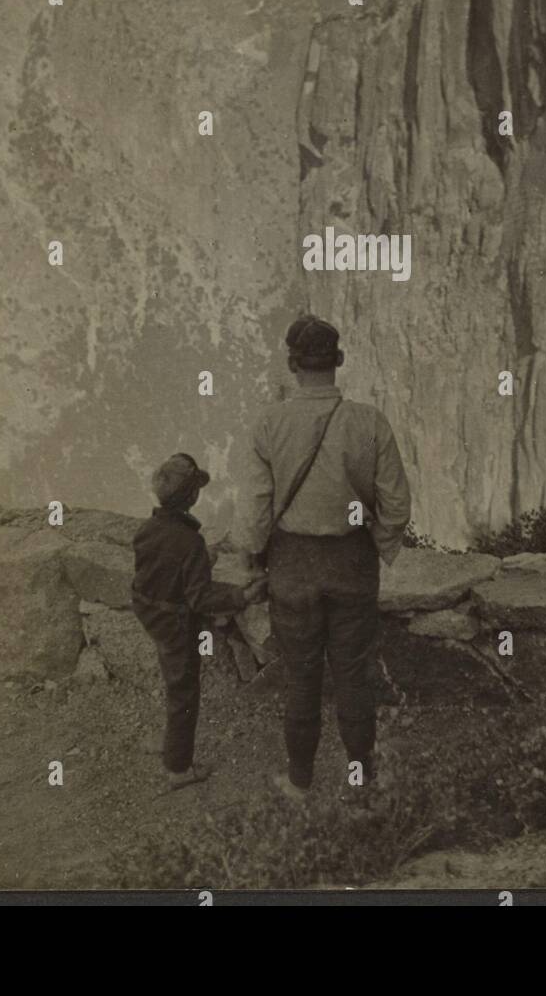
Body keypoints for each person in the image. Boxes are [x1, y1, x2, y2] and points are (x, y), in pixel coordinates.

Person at [243, 315, 411, 801]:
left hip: (293, 565)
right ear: (338, 362)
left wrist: (254, 561)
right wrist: (378, 540)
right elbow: (396, 504)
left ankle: (300, 783)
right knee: (353, 675)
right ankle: (363, 782)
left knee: (301, 678)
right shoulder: (368, 421)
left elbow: (256, 509)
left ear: (292, 364)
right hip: (352, 561)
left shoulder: (268, 423)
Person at [132, 451, 266, 789]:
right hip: (176, 624)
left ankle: (169, 744)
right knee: (184, 690)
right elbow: (200, 598)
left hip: (151, 614)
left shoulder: (148, 529)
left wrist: (201, 558)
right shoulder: (189, 542)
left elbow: (165, 564)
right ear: (191, 497)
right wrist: (242, 596)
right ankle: (178, 768)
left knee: (172, 680)